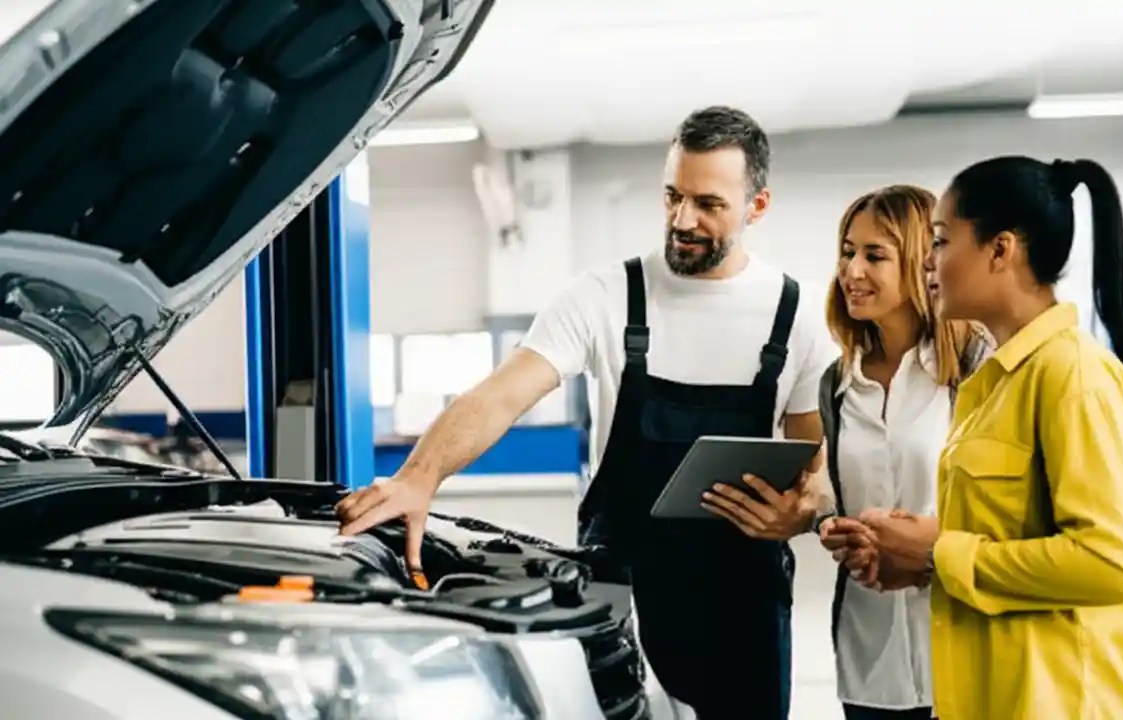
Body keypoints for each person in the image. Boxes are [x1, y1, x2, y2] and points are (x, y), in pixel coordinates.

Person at [336, 105, 834, 719]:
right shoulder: (605, 297)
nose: (683, 219)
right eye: (672, 196)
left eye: (709, 204)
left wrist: (806, 509)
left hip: (744, 603)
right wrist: (419, 476)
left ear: (757, 206)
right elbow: (500, 395)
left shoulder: (799, 315)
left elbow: (813, 464)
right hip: (621, 596)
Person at [835, 156, 1123, 720]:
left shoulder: (1073, 376)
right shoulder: (994, 382)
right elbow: (1001, 538)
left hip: (1061, 702)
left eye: (940, 242)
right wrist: (909, 558)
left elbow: (1112, 564)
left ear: (1000, 250)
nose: (929, 264)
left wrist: (936, 552)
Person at [800, 185, 989, 720]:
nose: (851, 270)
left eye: (874, 255)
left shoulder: (977, 366)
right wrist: (832, 526)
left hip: (961, 641)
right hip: (869, 651)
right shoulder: (837, 385)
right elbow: (837, 497)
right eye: (847, 251)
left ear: (921, 261)